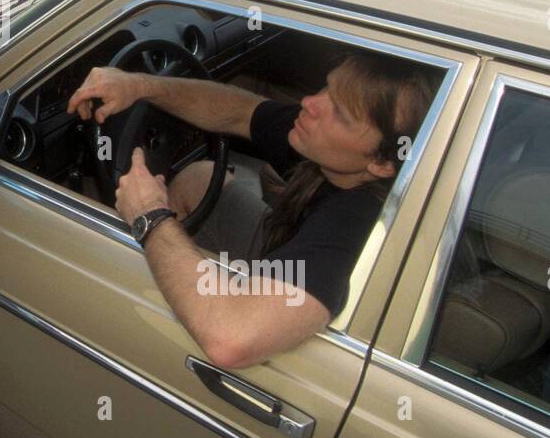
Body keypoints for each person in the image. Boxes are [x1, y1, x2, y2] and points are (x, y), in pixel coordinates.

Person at [67, 51, 438, 369]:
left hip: (275, 299)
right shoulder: (333, 156)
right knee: (199, 178)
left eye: (339, 114)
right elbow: (239, 112)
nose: (311, 102)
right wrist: (141, 85)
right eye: (327, 87)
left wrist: (148, 214)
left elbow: (230, 342)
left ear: (383, 164)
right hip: (283, 243)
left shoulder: (353, 229)